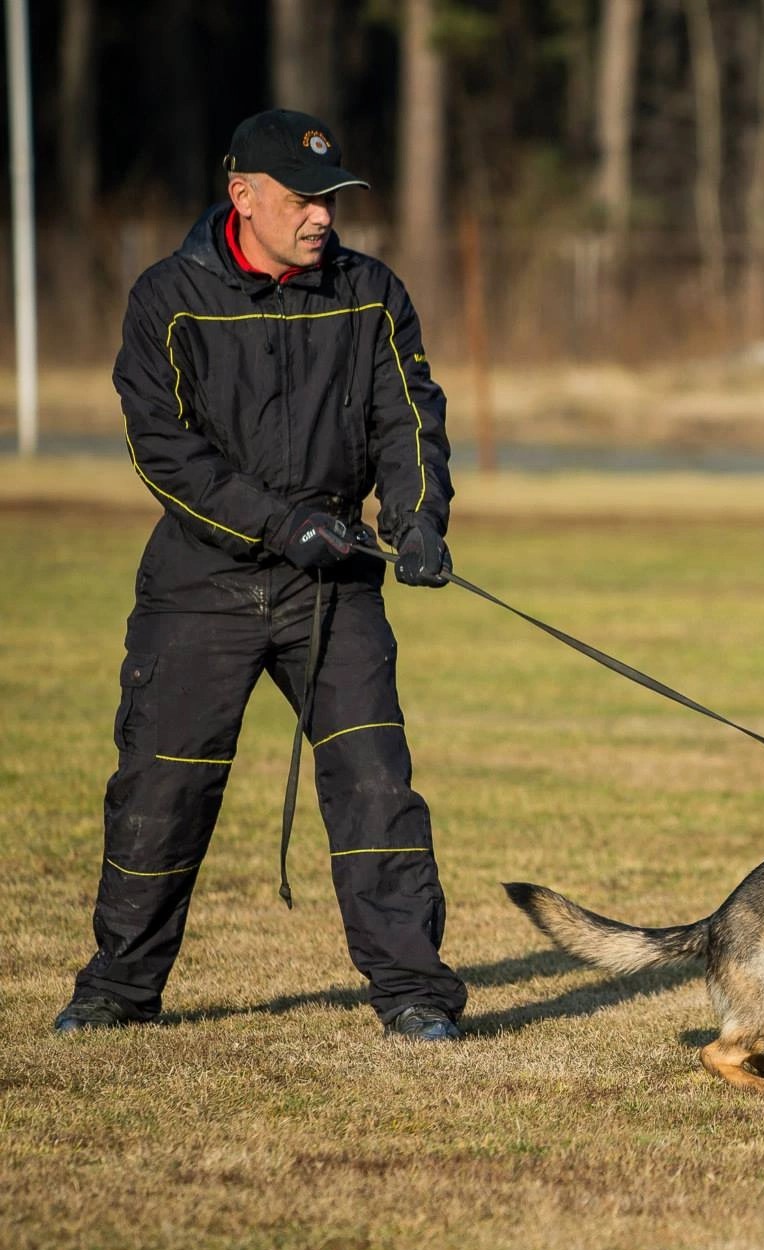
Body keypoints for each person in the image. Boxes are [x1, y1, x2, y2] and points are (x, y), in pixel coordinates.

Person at [53, 110, 468, 1042]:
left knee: (377, 787)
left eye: (332, 200)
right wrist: (281, 524)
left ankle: (413, 993)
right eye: (304, 200)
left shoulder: (371, 292)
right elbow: (164, 451)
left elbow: (410, 417)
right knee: (161, 793)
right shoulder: (169, 298)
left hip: (337, 588)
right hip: (202, 584)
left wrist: (417, 522)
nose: (323, 217)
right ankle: (118, 989)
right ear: (244, 196)